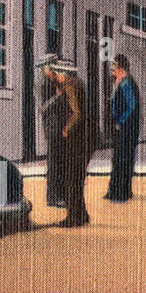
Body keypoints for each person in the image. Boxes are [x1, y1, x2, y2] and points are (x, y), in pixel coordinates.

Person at [43, 59, 95, 227]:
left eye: (58, 74)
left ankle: (74, 218)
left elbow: (77, 113)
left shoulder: (71, 86)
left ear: (65, 74)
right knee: (76, 178)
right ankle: (81, 214)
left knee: (72, 179)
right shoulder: (75, 84)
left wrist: (66, 128)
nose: (56, 77)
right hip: (85, 137)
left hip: (80, 138)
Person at [105, 53, 140, 202]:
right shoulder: (120, 82)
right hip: (122, 128)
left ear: (121, 68)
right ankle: (115, 191)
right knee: (119, 158)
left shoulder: (126, 83)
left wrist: (120, 121)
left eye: (114, 66)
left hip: (126, 129)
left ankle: (121, 193)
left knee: (123, 158)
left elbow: (132, 106)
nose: (112, 69)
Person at [36, 54, 65, 207]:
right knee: (54, 163)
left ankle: (59, 195)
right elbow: (43, 107)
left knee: (59, 162)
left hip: (60, 126)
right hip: (52, 127)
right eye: (51, 66)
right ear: (45, 68)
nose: (53, 69)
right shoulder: (43, 84)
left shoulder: (55, 82)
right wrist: (57, 97)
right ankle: (53, 198)